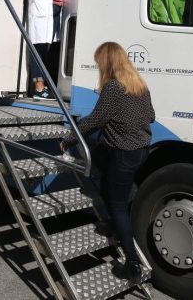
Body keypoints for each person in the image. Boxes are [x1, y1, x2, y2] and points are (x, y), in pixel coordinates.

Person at [60, 42, 154, 283]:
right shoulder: (140, 85)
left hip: (122, 152)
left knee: (118, 204)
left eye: (99, 62)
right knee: (98, 168)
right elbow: (151, 116)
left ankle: (132, 264)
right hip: (140, 150)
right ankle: (113, 222)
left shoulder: (113, 87)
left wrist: (69, 139)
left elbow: (95, 120)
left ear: (107, 62)